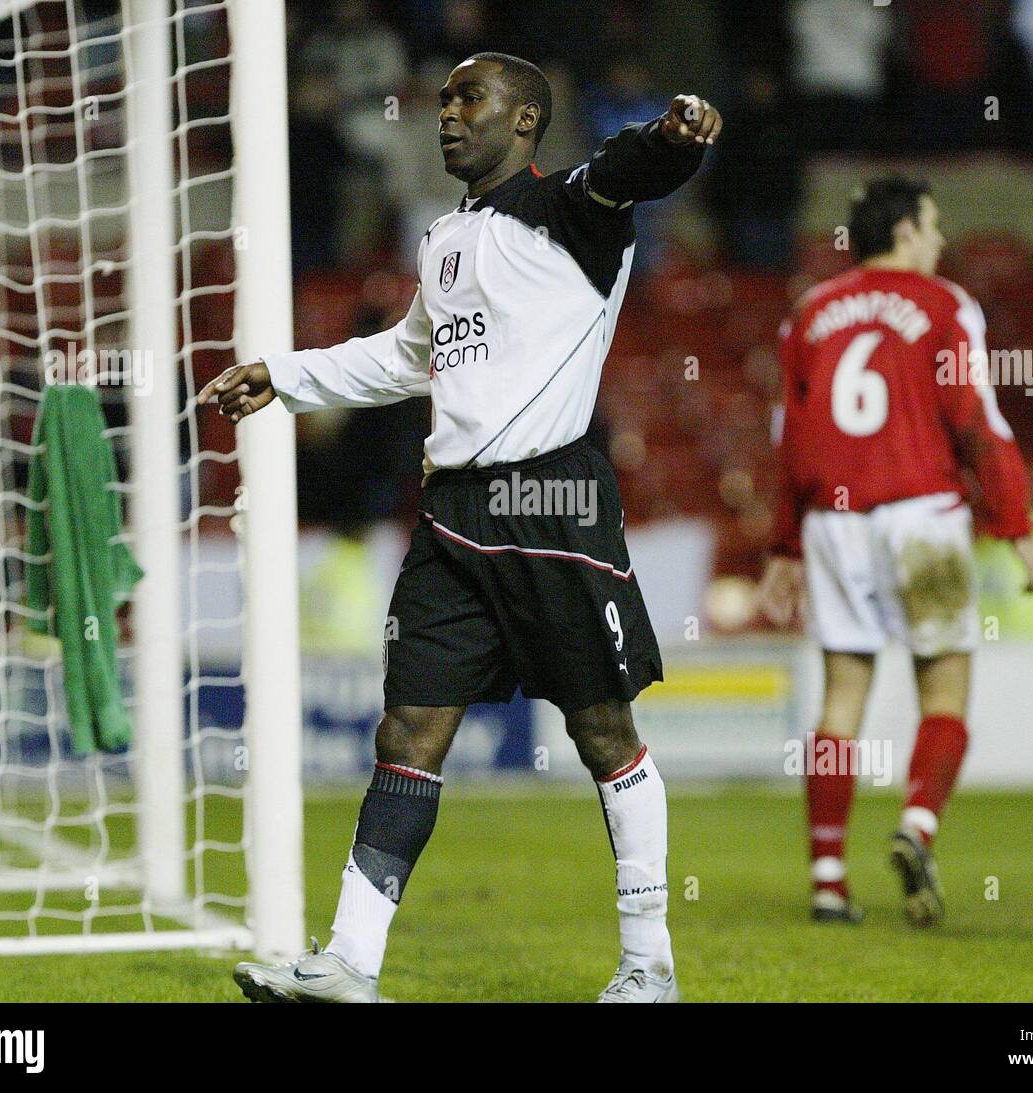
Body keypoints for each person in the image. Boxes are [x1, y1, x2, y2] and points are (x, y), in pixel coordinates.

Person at [199, 52, 720, 1002]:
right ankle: (350, 961)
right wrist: (283, 374)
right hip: (452, 515)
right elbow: (404, 358)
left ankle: (649, 966)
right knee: (407, 727)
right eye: (442, 99)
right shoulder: (446, 238)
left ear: (523, 121)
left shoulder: (570, 208)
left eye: (467, 99)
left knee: (603, 730)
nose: (446, 114)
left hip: (550, 502)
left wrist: (671, 135)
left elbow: (631, 167)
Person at [757, 178, 1033, 927]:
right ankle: (917, 823)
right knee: (947, 693)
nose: (941, 238)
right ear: (904, 229)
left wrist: (785, 545)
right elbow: (978, 421)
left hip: (834, 521)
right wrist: (1017, 527)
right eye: (934, 223)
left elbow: (792, 440)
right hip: (922, 514)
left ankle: (828, 879)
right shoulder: (945, 304)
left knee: (840, 701)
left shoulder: (810, 312)